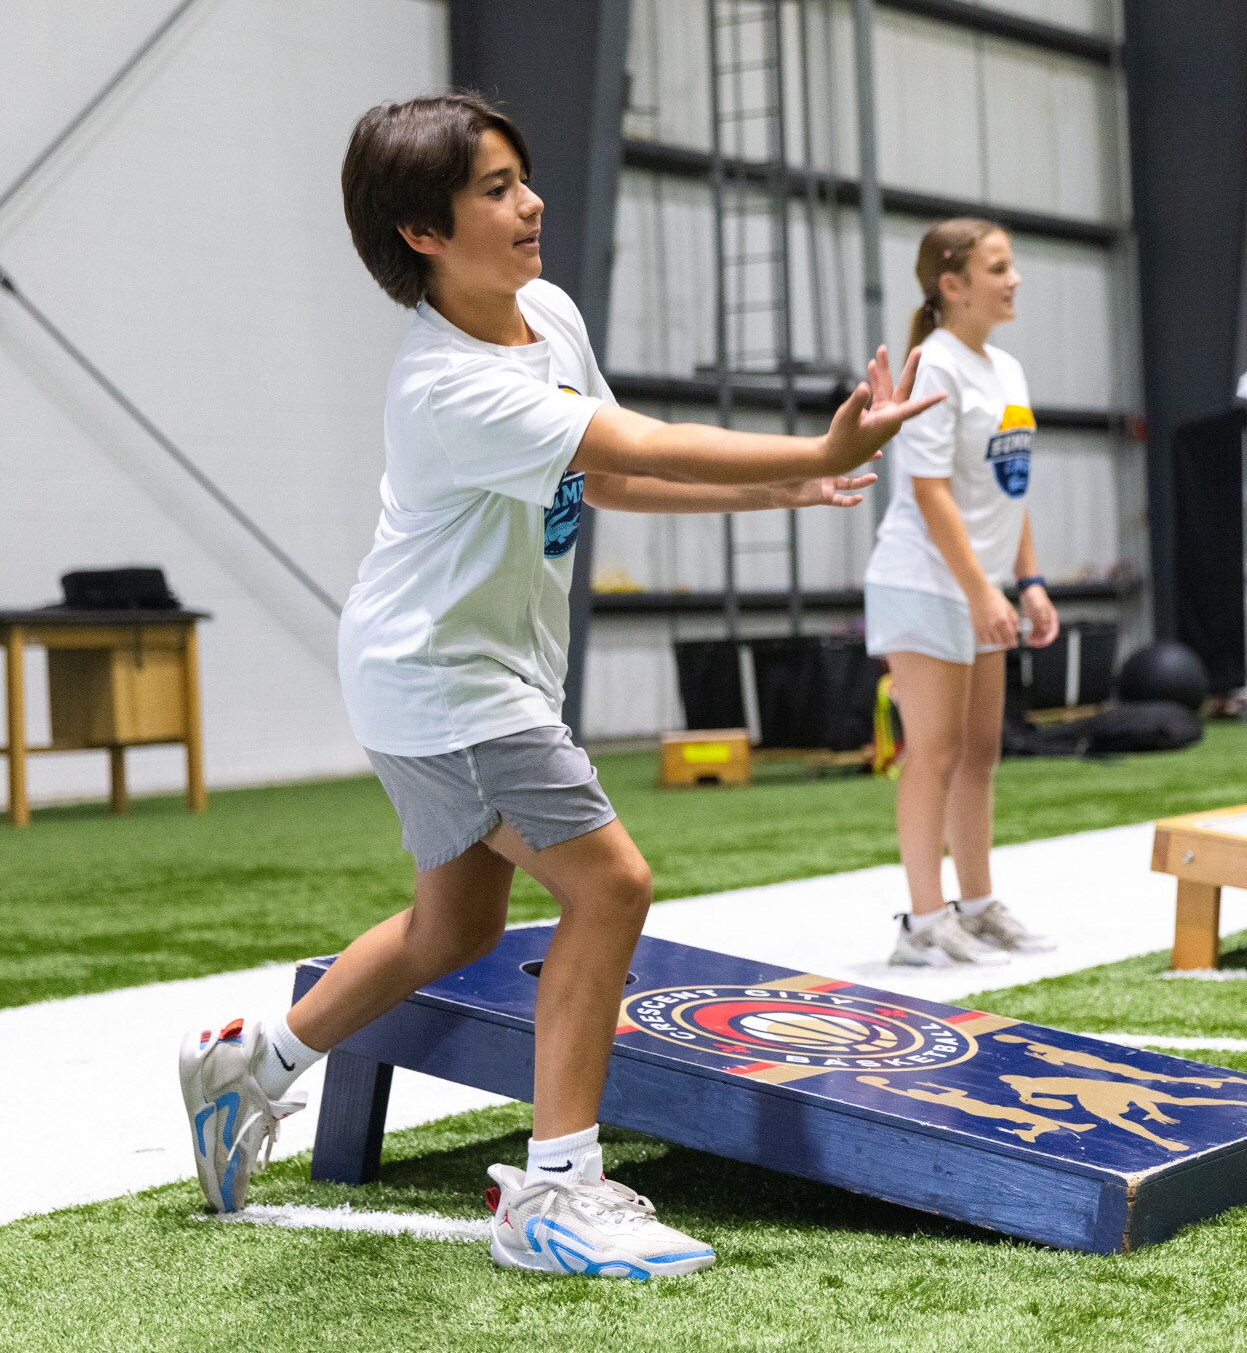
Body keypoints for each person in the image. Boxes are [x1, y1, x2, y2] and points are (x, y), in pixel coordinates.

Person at [176, 92, 939, 1280]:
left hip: (454, 670)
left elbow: (603, 467)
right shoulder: (444, 384)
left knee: (457, 924)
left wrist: (779, 490)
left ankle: (253, 1061)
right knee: (610, 883)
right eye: (496, 190)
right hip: (447, 677)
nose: (532, 203)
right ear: (422, 232)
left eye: (522, 177)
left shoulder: (548, 315)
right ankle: (555, 1190)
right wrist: (821, 448)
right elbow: (640, 445)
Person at [863, 218, 1059, 967]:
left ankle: (976, 906)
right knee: (935, 753)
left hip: (979, 586)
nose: (1014, 280)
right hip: (923, 582)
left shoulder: (1006, 369)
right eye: (998, 268)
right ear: (953, 285)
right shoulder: (935, 366)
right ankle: (922, 922)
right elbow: (929, 490)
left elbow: (1012, 486)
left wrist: (1027, 582)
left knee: (980, 752)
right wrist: (982, 591)